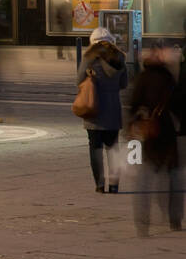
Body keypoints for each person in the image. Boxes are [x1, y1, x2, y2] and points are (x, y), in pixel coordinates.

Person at [128, 39, 183, 236]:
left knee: (143, 179)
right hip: (166, 133)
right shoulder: (169, 78)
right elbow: (179, 106)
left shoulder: (142, 77)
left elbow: (133, 105)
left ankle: (142, 224)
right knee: (173, 177)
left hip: (146, 134)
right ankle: (174, 219)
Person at [78, 27, 127, 193]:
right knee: (113, 148)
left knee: (95, 148)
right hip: (113, 110)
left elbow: (78, 80)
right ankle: (114, 185)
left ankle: (100, 184)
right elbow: (124, 83)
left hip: (93, 110)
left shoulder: (89, 59)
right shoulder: (119, 57)